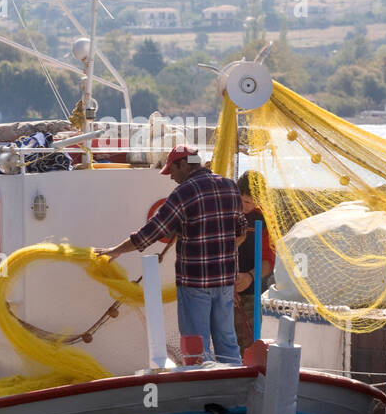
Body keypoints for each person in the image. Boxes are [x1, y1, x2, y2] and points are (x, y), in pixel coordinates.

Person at [95, 145, 246, 364]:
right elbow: (240, 232)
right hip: (224, 283)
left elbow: (151, 232)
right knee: (227, 342)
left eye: (172, 170)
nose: (171, 177)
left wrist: (115, 251)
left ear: (184, 164)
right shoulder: (230, 187)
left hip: (196, 284)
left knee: (196, 347)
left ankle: (201, 392)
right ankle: (234, 390)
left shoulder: (184, 192)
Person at [234, 170, 276, 344]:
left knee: (250, 343)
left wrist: (249, 277)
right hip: (222, 290)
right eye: (245, 201)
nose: (249, 207)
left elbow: (268, 261)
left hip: (252, 292)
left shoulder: (265, 218)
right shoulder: (225, 210)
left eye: (254, 203)